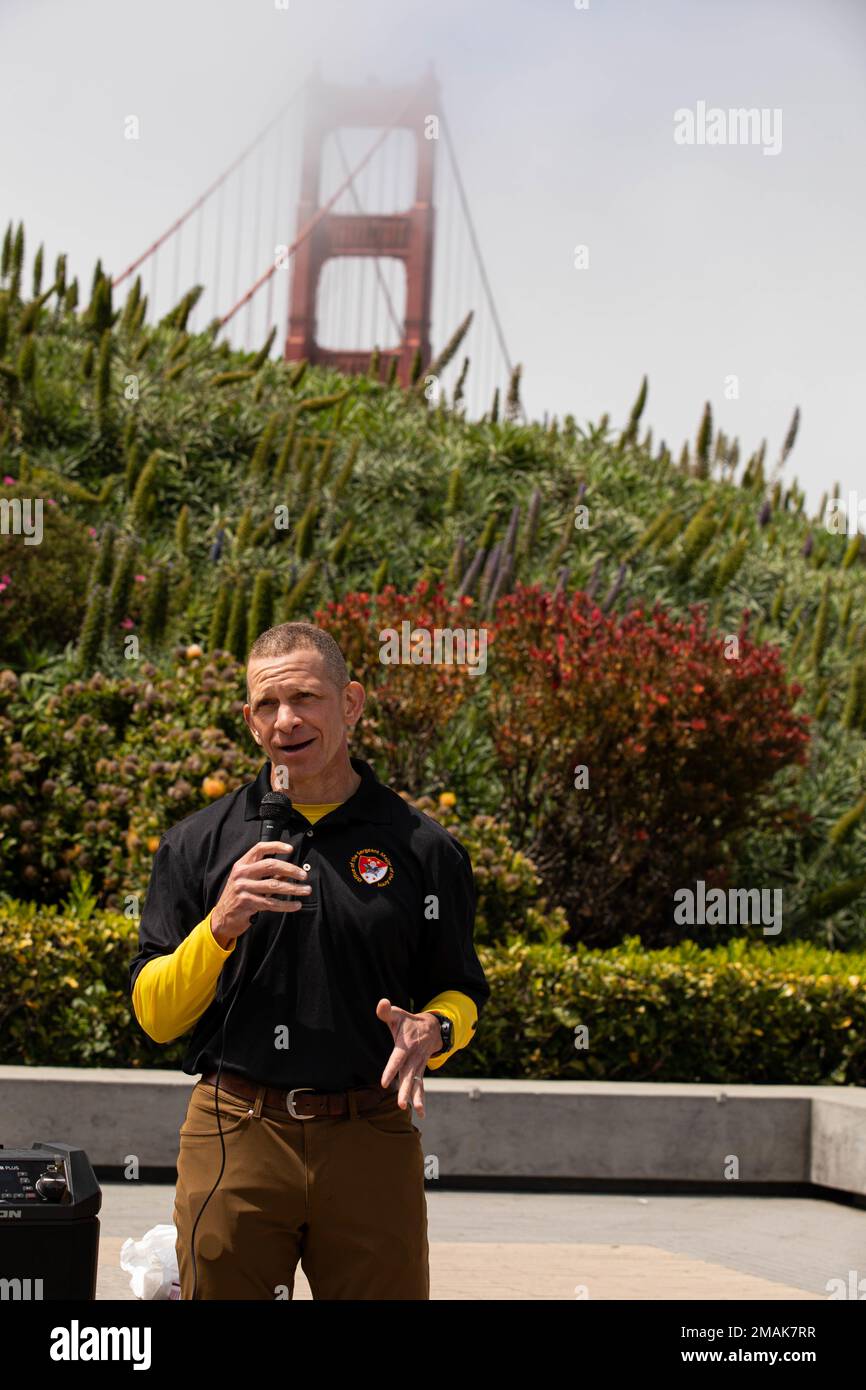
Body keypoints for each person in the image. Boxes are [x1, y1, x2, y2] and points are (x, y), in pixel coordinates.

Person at [128, 620, 489, 1300]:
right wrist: (220, 925)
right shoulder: (198, 845)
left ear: (350, 703)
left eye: (306, 699)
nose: (285, 720)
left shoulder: (423, 849)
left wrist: (433, 1030)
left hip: (371, 1132)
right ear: (248, 719)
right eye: (266, 705)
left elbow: (460, 990)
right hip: (235, 1128)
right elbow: (154, 1015)